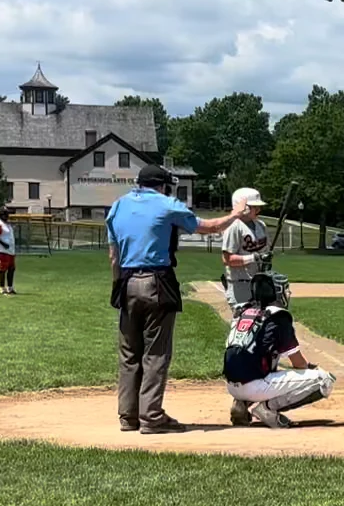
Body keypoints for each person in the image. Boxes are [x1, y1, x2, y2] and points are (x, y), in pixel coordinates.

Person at [106, 164, 253, 434]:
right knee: (155, 353)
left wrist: (118, 287)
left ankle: (128, 416)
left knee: (129, 354)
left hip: (125, 283)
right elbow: (208, 227)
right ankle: (151, 417)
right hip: (157, 282)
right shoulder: (167, 204)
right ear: (162, 185)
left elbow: (114, 256)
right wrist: (235, 214)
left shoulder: (117, 206)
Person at [222, 273, 335, 428]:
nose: (288, 293)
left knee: (261, 359)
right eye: (285, 289)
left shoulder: (243, 311)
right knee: (324, 380)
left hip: (231, 385)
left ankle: (240, 404)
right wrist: (312, 368)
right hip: (255, 386)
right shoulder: (278, 317)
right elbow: (298, 363)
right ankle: (267, 409)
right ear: (276, 292)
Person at [221, 187, 270, 306]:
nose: (258, 209)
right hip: (240, 285)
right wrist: (254, 258)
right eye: (254, 206)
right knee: (243, 322)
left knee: (260, 321)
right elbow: (227, 259)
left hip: (259, 282)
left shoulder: (261, 225)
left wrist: (267, 258)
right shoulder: (233, 226)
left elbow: (265, 250)